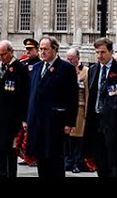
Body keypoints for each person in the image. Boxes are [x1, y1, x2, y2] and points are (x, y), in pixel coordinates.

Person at [84, 36, 117, 177]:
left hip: (116, 125)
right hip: (97, 123)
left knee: (116, 166)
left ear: (111, 52)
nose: (99, 56)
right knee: (101, 164)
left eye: (102, 52)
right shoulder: (93, 70)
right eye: (97, 52)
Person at [23, 36, 77, 178]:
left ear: (54, 49)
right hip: (37, 122)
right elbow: (30, 95)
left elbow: (72, 97)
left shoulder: (66, 69)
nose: (42, 52)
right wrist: (26, 119)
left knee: (55, 161)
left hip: (55, 122)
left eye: (45, 49)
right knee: (41, 161)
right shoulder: (36, 68)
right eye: (40, 49)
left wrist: (69, 122)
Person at [0, 39, 30, 178]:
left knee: (11, 151)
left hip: (13, 118)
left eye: (4, 54)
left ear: (11, 52)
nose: (1, 58)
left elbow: (25, 95)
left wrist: (24, 118)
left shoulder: (21, 69)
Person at [64, 47, 88, 173]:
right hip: (67, 108)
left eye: (71, 59)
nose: (69, 61)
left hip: (80, 109)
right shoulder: (65, 71)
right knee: (67, 139)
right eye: (68, 59)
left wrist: (87, 113)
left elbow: (87, 93)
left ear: (78, 58)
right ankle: (68, 161)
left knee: (78, 139)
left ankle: (77, 163)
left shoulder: (85, 72)